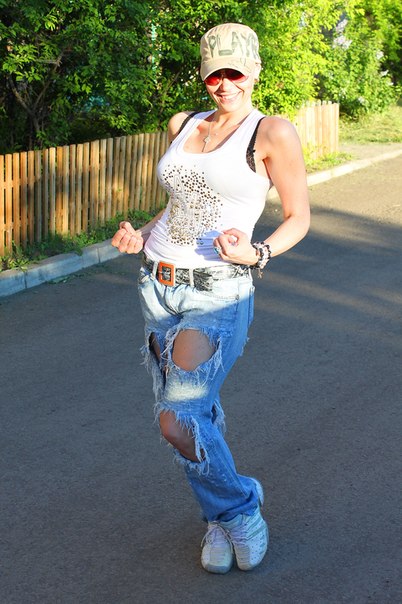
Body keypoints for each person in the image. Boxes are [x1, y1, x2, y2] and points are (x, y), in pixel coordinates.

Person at [111, 22, 310, 574]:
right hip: (158, 285)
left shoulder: (271, 132)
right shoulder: (183, 123)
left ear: (254, 71)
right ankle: (220, 519)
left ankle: (240, 507)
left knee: (177, 419)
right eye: (214, 74)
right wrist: (140, 235)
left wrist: (258, 252)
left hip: (217, 291)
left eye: (235, 73)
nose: (224, 84)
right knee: (196, 415)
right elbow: (178, 204)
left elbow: (299, 216)